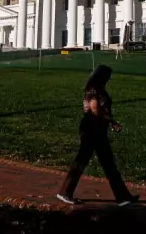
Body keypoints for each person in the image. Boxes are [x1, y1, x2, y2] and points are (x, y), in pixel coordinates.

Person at [57, 65, 139, 207]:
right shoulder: (94, 89)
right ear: (102, 76)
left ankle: (123, 196)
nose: (109, 78)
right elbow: (95, 109)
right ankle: (65, 192)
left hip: (97, 129)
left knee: (107, 164)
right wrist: (110, 120)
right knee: (86, 162)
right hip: (92, 129)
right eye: (108, 76)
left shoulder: (95, 87)